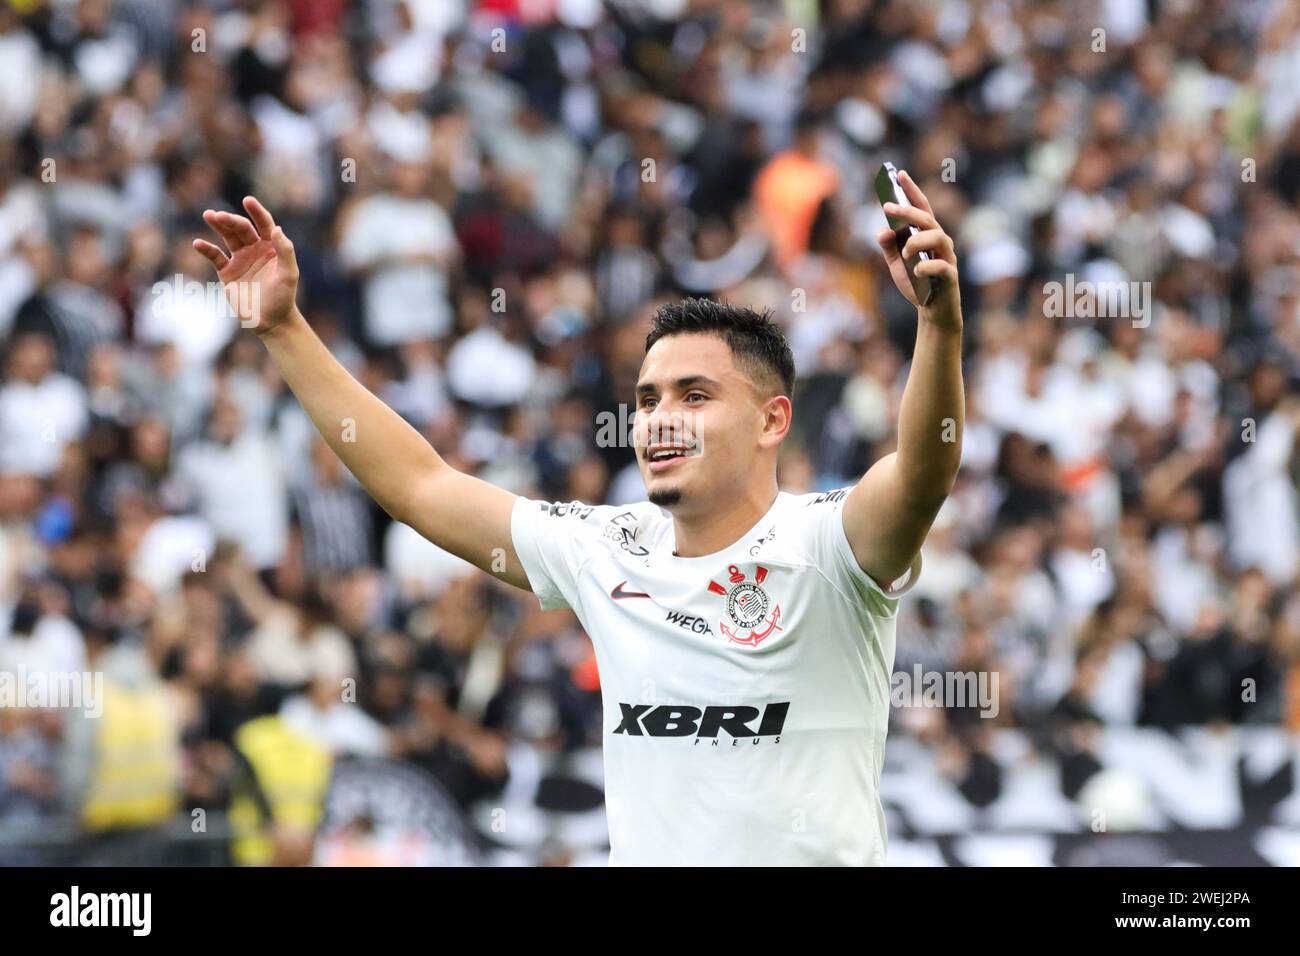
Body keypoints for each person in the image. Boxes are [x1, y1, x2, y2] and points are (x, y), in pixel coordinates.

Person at [192, 167, 964, 865]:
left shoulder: (828, 543)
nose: (661, 419)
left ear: (772, 420)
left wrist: (939, 326)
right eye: (647, 400)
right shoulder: (606, 546)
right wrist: (285, 331)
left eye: (696, 396)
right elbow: (422, 488)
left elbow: (926, 471)